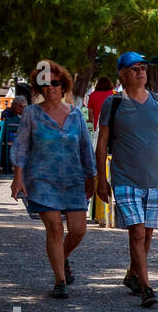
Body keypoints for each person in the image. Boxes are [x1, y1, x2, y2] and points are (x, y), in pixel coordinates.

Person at [94, 52, 158, 308]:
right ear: (122, 74)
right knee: (136, 232)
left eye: (143, 68)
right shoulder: (113, 104)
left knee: (147, 233)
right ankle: (147, 287)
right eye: (135, 69)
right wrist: (100, 180)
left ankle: (132, 275)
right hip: (125, 178)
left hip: (155, 178)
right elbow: (101, 145)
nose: (141, 73)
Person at [8, 61, 96, 299]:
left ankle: (63, 258)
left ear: (63, 85)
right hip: (42, 180)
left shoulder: (76, 114)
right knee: (55, 228)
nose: (51, 88)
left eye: (55, 83)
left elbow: (85, 147)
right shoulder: (30, 114)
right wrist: (18, 177)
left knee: (78, 230)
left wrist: (93, 177)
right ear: (39, 89)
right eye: (44, 85)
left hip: (73, 179)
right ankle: (60, 281)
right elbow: (21, 147)